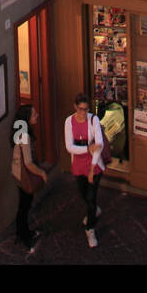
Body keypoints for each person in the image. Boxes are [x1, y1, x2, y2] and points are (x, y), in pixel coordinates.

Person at [64, 92, 104, 248]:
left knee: (91, 198)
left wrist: (93, 166)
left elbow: (99, 144)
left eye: (86, 109)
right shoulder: (68, 122)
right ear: (75, 107)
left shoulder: (93, 120)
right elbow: (69, 147)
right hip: (79, 164)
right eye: (80, 109)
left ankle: (90, 230)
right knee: (83, 194)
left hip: (94, 164)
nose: (83, 113)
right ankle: (93, 212)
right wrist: (88, 149)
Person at [10, 105, 48, 254]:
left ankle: (23, 232)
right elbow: (28, 163)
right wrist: (42, 173)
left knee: (24, 204)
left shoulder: (21, 131)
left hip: (17, 172)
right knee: (24, 205)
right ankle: (23, 234)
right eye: (33, 114)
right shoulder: (24, 136)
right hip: (22, 174)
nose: (37, 115)